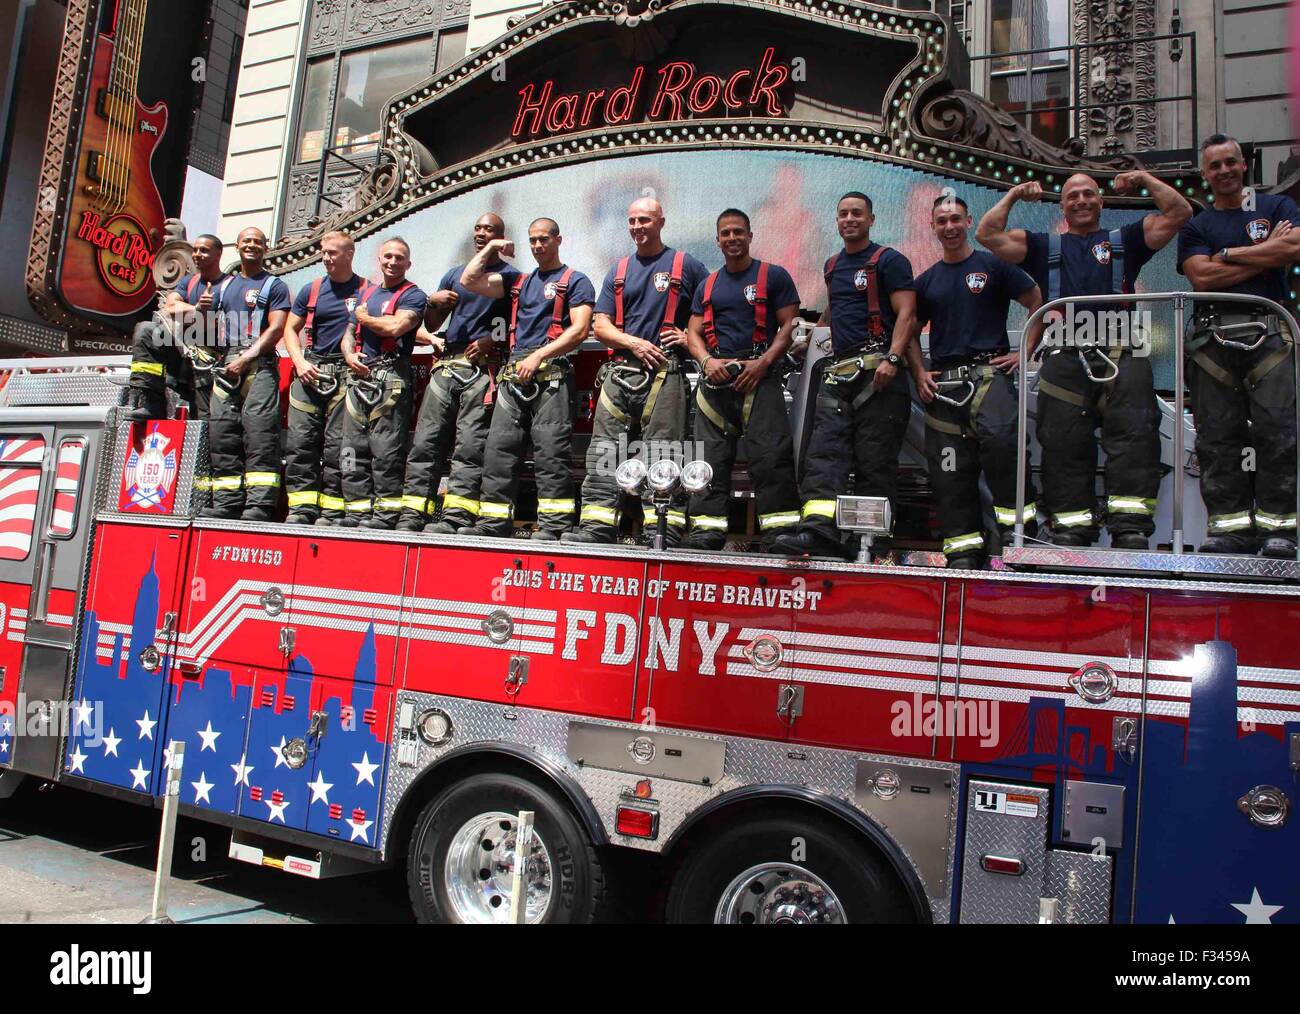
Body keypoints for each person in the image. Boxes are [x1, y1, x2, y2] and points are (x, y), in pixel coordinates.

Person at [976, 171, 1190, 550]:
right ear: (1062, 206)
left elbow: (1178, 212)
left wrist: (1142, 179)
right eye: (1073, 196)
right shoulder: (1042, 246)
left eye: (1089, 194)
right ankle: (1073, 527)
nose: (1081, 201)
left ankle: (1131, 528)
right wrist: (1013, 195)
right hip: (1065, 358)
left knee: (1136, 436)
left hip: (1124, 353)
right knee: (1061, 443)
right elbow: (987, 234)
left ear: (1101, 202)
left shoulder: (1126, 240)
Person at [772, 192, 918, 559]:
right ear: (836, 221)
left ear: (871, 219)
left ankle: (871, 542)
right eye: (843, 214)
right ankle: (818, 532)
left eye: (857, 213)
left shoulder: (891, 261)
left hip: (880, 377)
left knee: (875, 463)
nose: (849, 219)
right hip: (839, 375)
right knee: (823, 456)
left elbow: (908, 315)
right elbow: (835, 310)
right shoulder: (833, 265)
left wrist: (894, 359)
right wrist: (811, 341)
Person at [1178, 134, 1300, 557]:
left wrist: (1226, 254)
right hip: (1212, 343)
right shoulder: (1197, 225)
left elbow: (1295, 246)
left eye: (1231, 162)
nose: (1225, 171)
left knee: (1279, 434)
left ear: (1243, 164)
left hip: (1271, 337)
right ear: (1205, 174)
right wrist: (1264, 251)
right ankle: (1228, 529)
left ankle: (1279, 531)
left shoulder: (1277, 207)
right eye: (1216, 166)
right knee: (1216, 439)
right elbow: (1201, 278)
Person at [563, 197, 708, 545]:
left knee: (664, 452)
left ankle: (663, 531)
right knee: (603, 452)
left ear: (661, 221)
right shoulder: (619, 269)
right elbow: (601, 325)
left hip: (665, 374)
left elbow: (712, 310)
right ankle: (597, 527)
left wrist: (690, 337)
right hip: (620, 374)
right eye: (632, 221)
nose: (637, 227)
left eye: (644, 220)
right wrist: (634, 343)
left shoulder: (686, 265)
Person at [912, 195, 1043, 569]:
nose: (949, 226)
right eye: (942, 221)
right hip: (945, 391)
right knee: (950, 475)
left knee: (1006, 458)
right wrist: (919, 371)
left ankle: (1021, 543)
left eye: (955, 219)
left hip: (991, 380)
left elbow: (1037, 300)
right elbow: (908, 331)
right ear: (933, 227)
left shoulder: (994, 266)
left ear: (969, 222)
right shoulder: (926, 282)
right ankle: (965, 553)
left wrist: (1025, 353)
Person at [460, 219, 595, 538]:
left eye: (543, 239)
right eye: (532, 240)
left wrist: (539, 355)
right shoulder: (517, 281)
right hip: (513, 377)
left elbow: (579, 330)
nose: (537, 246)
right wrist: (493, 246)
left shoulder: (576, 281)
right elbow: (469, 279)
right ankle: (493, 523)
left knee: (551, 454)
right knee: (498, 451)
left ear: (558, 240)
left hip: (552, 377)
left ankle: (554, 526)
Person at [683, 208, 801, 550]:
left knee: (771, 458)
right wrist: (706, 361)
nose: (732, 238)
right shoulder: (707, 285)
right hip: (715, 389)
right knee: (707, 461)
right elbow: (692, 334)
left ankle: (780, 533)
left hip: (758, 382)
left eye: (738, 232)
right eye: (726, 233)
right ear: (717, 239)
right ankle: (707, 532)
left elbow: (789, 327)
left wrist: (762, 364)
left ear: (750, 236)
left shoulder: (774, 277)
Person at [398, 214, 520, 534]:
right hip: (447, 366)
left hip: (484, 370)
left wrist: (492, 340)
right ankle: (413, 515)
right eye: (478, 228)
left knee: (470, 446)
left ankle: (456, 518)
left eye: (489, 230)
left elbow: (522, 325)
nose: (481, 233)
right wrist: (432, 303)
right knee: (426, 442)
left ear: (500, 237)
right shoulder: (453, 275)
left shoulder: (511, 277)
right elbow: (433, 326)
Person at [201, 227, 290, 521]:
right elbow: (210, 327)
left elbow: (276, 328)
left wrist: (246, 357)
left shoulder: (274, 286)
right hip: (226, 365)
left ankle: (259, 506)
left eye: (257, 241)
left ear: (266, 247)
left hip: (259, 365)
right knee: (223, 434)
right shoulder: (222, 286)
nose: (251, 245)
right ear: (237, 246)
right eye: (246, 241)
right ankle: (227, 502)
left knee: (259, 435)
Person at [340, 237, 427, 529]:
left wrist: (363, 318)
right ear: (380, 259)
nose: (392, 262)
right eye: (387, 256)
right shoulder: (368, 295)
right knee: (350, 450)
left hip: (391, 379)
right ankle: (356, 512)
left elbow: (395, 327)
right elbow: (349, 333)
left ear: (409, 263)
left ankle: (385, 515)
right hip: (358, 378)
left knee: (386, 450)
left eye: (399, 258)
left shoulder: (413, 295)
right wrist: (349, 353)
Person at [283, 231, 367, 526]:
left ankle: (334, 507)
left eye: (332, 252)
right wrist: (299, 361)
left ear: (349, 254)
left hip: (345, 378)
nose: (326, 257)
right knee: (300, 442)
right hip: (310, 372)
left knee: (341, 446)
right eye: (323, 252)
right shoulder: (312, 290)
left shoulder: (367, 290)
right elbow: (289, 330)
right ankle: (302, 508)